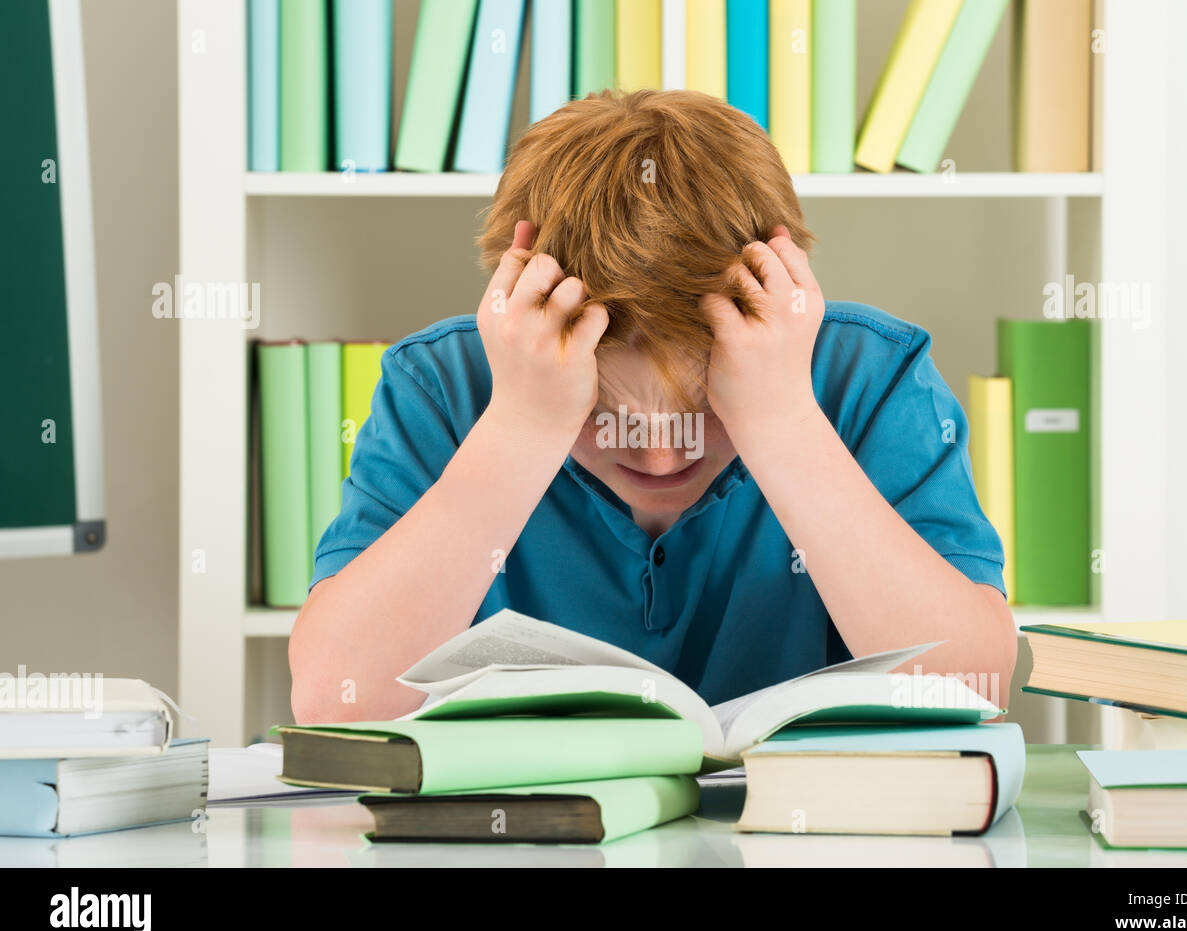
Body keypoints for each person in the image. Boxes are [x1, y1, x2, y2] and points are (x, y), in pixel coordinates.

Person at [289, 89, 1016, 723]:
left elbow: (970, 686)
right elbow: (335, 697)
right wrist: (523, 423)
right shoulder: (442, 387)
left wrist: (781, 418)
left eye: (704, 407)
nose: (662, 455)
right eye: (605, 413)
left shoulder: (871, 376)